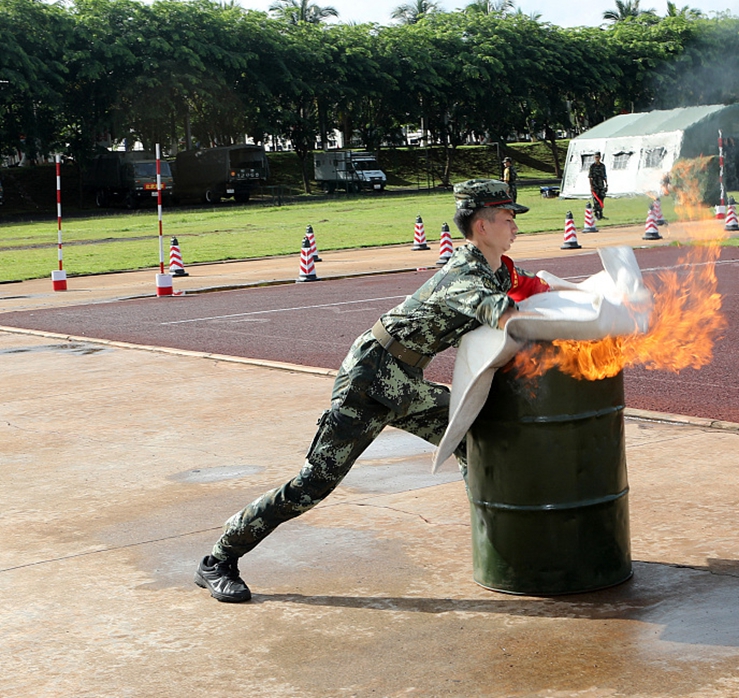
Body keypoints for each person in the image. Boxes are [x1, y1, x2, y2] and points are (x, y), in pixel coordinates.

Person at [194, 178, 549, 603]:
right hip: (369, 378)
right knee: (313, 484)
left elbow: (530, 286)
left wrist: (594, 297)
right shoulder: (464, 276)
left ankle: (502, 550)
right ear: (483, 225)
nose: (516, 227)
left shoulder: (495, 269)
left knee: (477, 439)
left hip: (405, 381)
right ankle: (218, 559)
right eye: (508, 218)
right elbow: (505, 315)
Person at [588, 152, 607, 220]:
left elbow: (605, 176)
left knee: (601, 199)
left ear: (600, 157)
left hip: (601, 185)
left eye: (598, 157)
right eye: (595, 157)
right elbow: (590, 177)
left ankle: (601, 214)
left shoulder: (602, 166)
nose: (597, 158)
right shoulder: (592, 166)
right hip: (595, 185)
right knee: (596, 200)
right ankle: (596, 214)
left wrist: (606, 185)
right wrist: (591, 186)